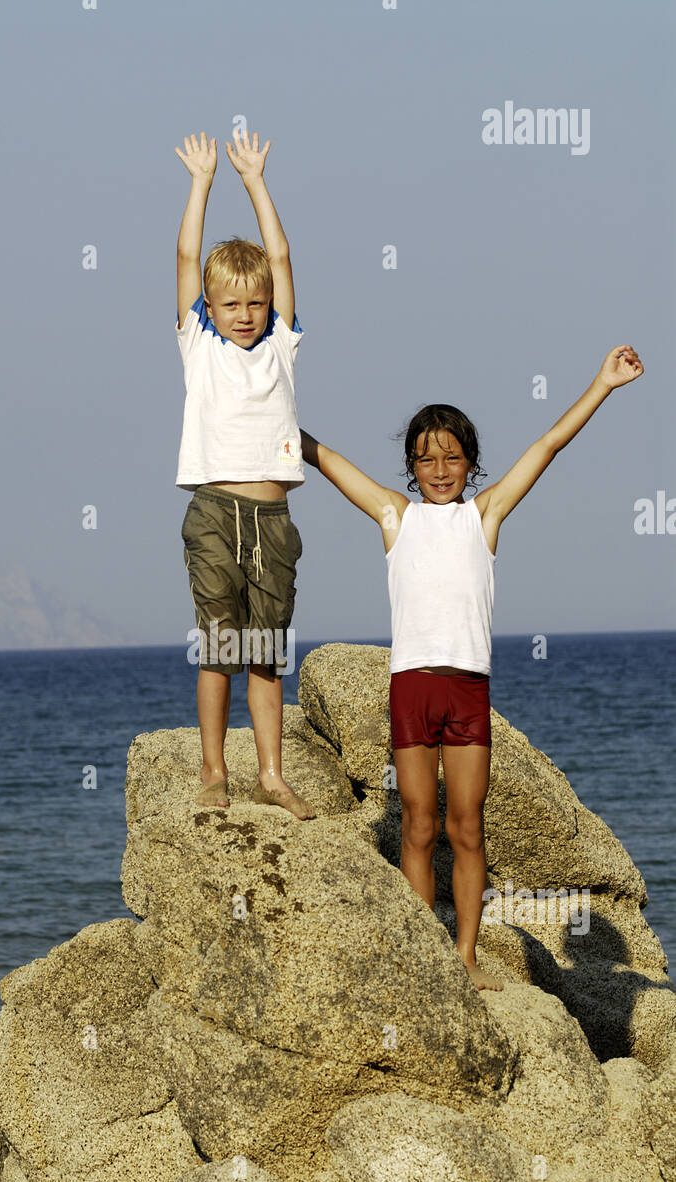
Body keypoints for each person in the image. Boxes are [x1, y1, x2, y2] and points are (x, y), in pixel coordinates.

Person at [301, 345, 644, 988]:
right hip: (412, 689)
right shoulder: (394, 517)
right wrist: (280, 425)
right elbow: (328, 462)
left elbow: (548, 445)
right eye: (426, 458)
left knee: (466, 826)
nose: (439, 468)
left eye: (451, 456)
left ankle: (464, 955)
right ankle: (420, 955)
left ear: (470, 462)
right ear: (410, 466)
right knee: (417, 822)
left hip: (466, 692)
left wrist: (603, 382)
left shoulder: (483, 516)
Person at [174, 128, 313, 817]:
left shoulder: (281, 344)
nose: (245, 315)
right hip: (214, 512)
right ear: (210, 308)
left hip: (272, 518)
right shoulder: (200, 347)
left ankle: (270, 774)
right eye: (231, 305)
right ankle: (211, 772)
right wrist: (202, 183)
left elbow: (280, 255)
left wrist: (256, 180)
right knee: (218, 648)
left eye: (254, 303)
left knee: (266, 654)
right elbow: (186, 256)